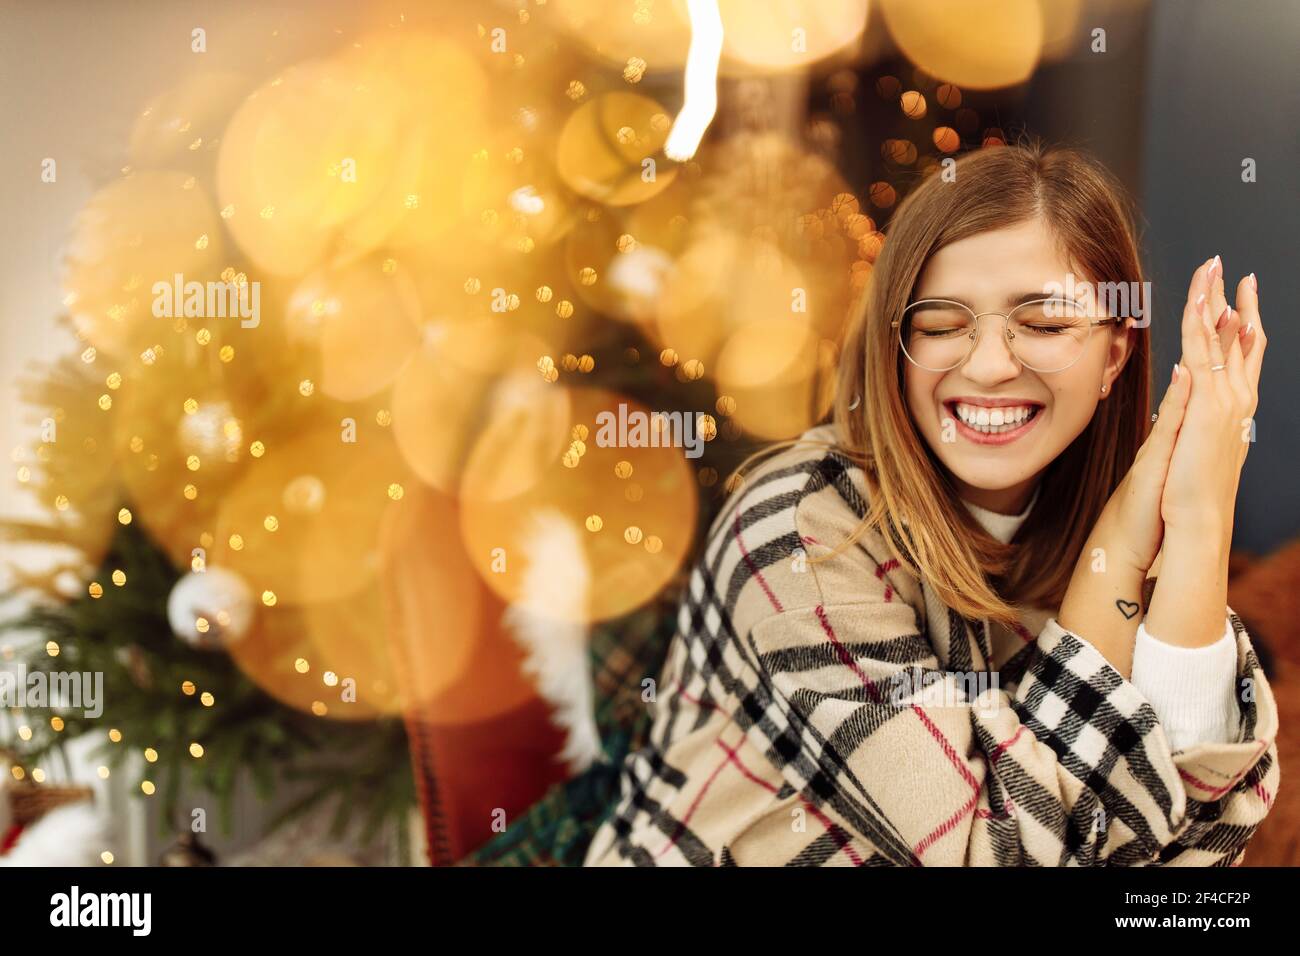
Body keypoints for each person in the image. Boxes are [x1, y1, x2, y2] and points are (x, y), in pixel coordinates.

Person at [584, 142, 1278, 866]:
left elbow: (1204, 843)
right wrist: (1121, 559)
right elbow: (997, 855)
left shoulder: (1132, 524)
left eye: (1043, 324)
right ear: (894, 346)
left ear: (1113, 355)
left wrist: (1200, 520)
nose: (986, 365)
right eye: (941, 325)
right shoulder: (799, 529)